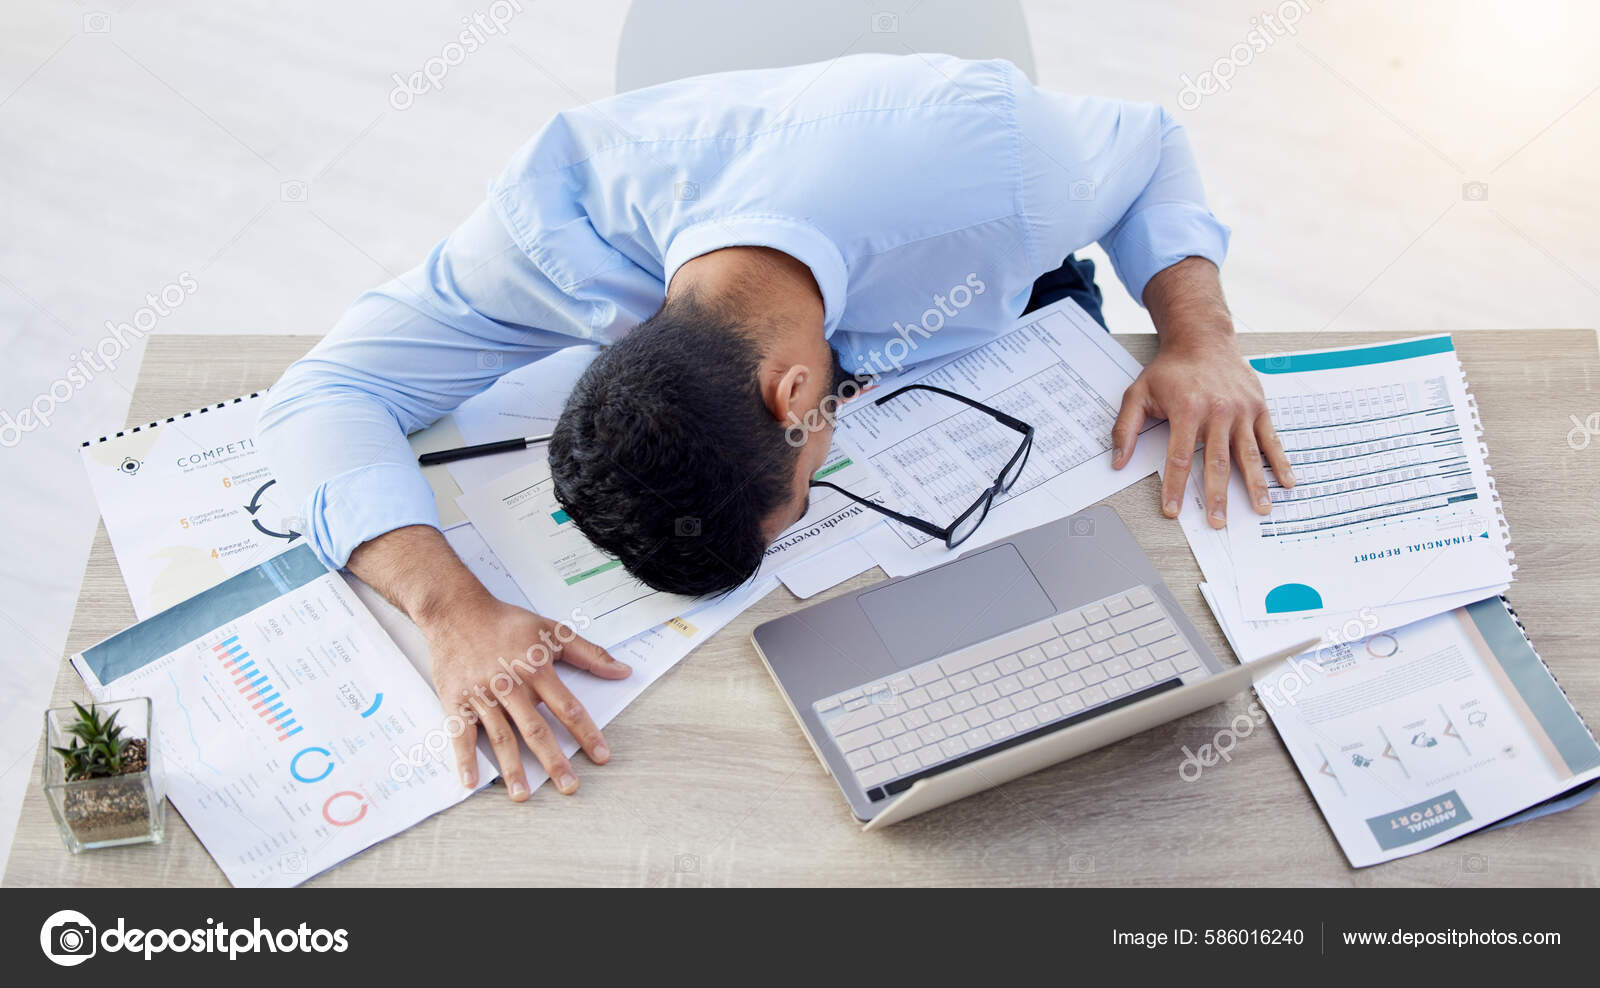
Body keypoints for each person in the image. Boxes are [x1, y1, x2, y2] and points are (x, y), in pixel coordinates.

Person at [258, 53, 1294, 802]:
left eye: (794, 503)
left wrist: (1196, 334)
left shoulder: (1006, 178)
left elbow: (1153, 143)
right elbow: (326, 393)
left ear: (797, 402)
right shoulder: (554, 234)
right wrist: (450, 610)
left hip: (998, 304)